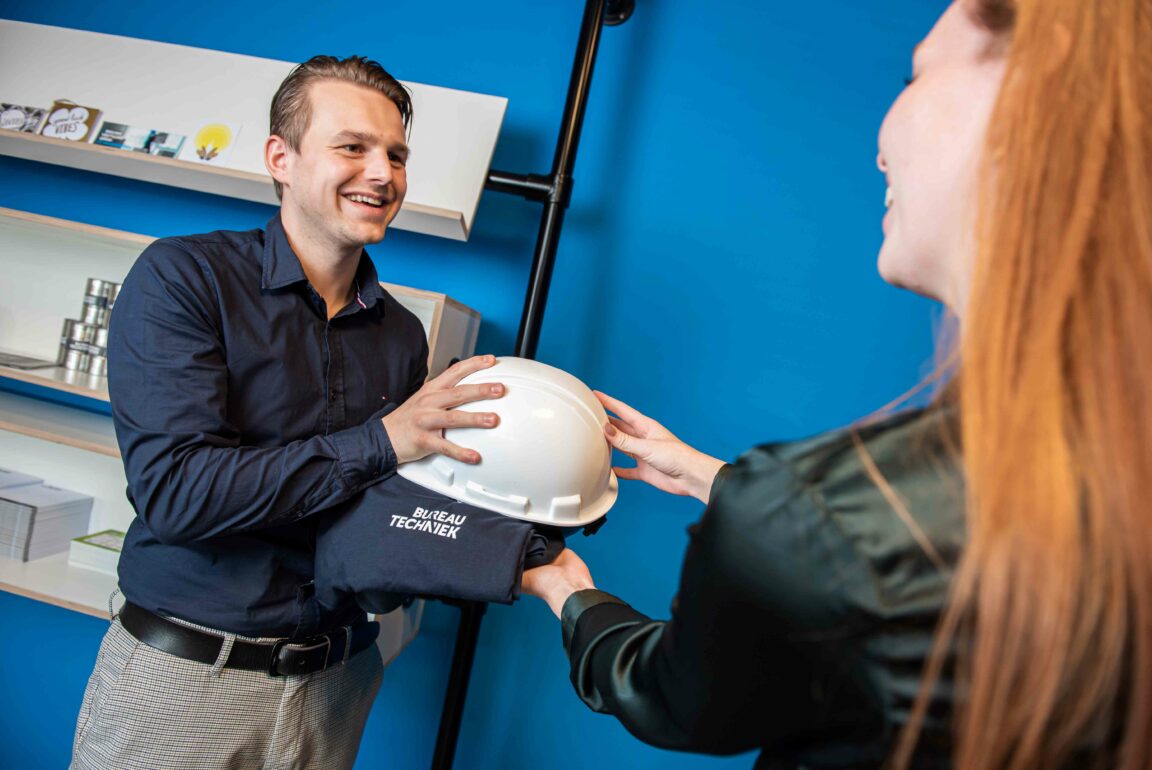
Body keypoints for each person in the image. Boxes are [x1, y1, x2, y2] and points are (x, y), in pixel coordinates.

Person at [524, 0, 1152, 768]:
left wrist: (567, 588)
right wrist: (709, 478)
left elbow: (667, 697)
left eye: (915, 77)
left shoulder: (816, 512)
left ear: (1030, 104)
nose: (881, 152)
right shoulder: (1101, 471)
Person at [70, 56, 504, 770]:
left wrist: (516, 531)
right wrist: (384, 440)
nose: (382, 173)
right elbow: (177, 494)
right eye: (352, 147)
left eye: (396, 156)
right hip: (187, 681)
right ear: (281, 158)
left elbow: (375, 519)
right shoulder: (184, 278)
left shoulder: (401, 334)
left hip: (338, 685)